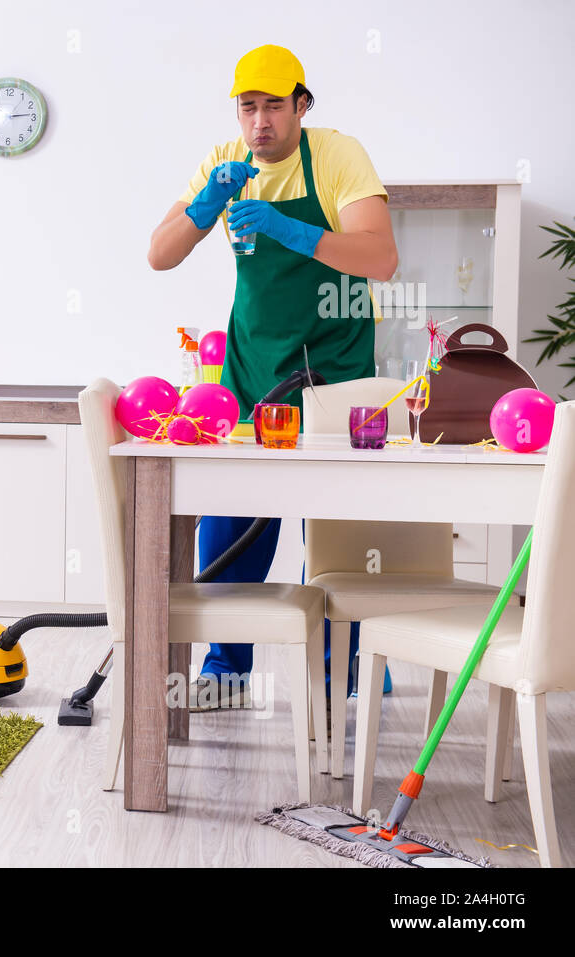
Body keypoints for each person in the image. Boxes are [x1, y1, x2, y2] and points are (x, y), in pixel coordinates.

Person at [148, 44, 398, 709]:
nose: (260, 122)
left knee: (338, 529)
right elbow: (158, 255)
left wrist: (292, 229)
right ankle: (226, 669)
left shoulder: (340, 157)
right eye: (248, 107)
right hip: (252, 368)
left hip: (334, 374)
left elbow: (381, 258)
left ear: (301, 105)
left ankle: (351, 665)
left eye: (274, 107)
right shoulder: (222, 165)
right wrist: (203, 208)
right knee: (228, 518)